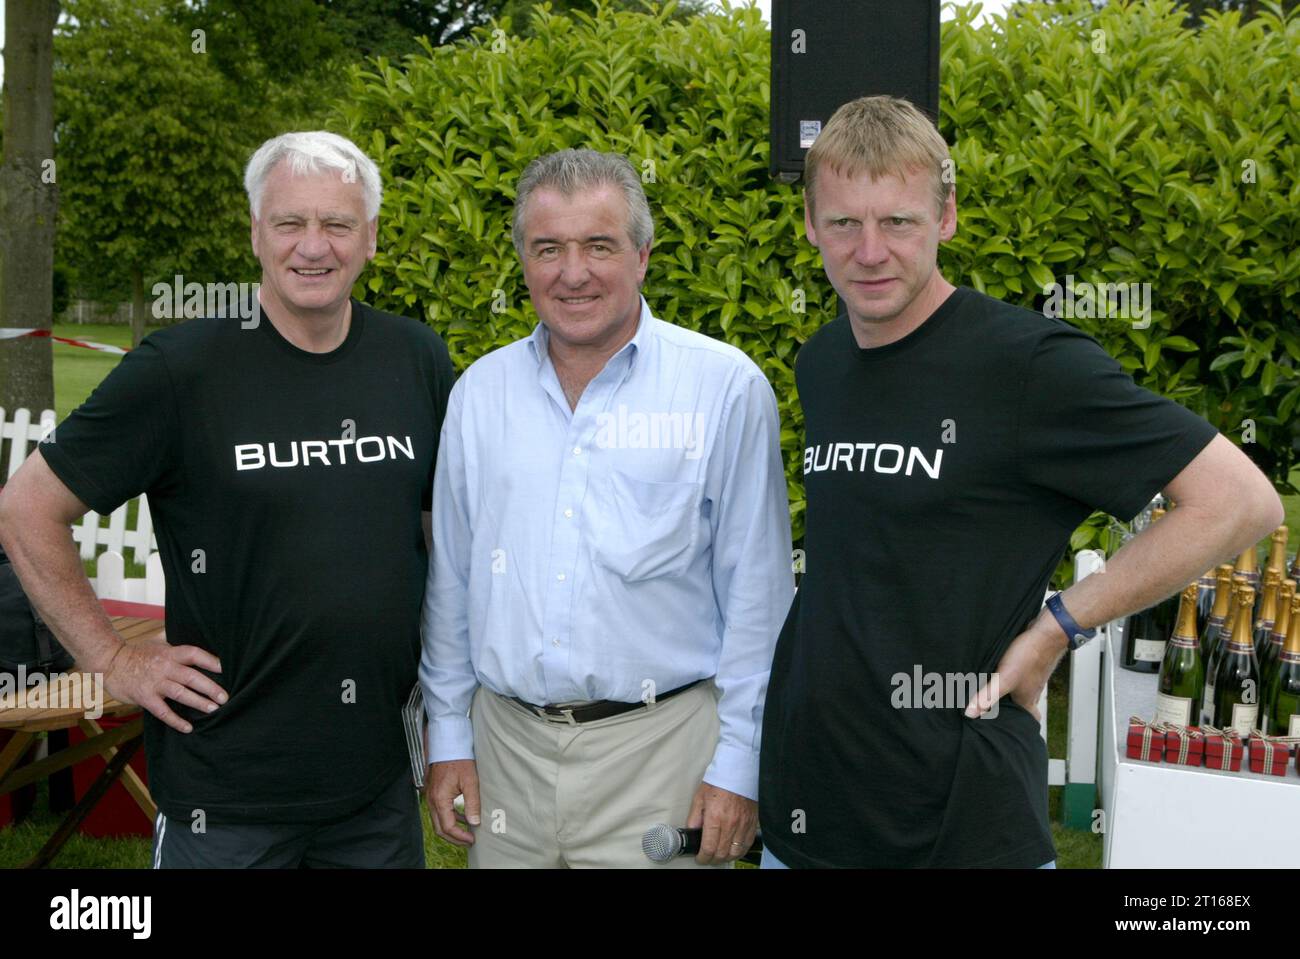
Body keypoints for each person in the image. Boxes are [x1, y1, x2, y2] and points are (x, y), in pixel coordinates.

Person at [758, 96, 1284, 869]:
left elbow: (1240, 500)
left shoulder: (1027, 366)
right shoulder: (824, 359)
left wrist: (1057, 628)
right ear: (809, 224)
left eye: (898, 222)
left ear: (946, 218)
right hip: (810, 811)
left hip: (959, 823)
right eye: (844, 223)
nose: (868, 251)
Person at [0, 131, 455, 868]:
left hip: (374, 792)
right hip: (227, 799)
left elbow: (441, 544)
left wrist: (450, 711)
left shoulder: (415, 357)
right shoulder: (182, 370)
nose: (314, 246)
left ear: (370, 238)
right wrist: (114, 660)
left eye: (337, 224)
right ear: (254, 233)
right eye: (290, 223)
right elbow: (25, 508)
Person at [420, 148, 793, 868]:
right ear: (524, 263)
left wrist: (739, 765)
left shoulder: (723, 389)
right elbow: (452, 584)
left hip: (661, 756)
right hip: (507, 755)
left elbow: (758, 597)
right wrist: (450, 736)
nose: (573, 271)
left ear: (643, 255)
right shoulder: (479, 395)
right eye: (548, 248)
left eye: (599, 245)